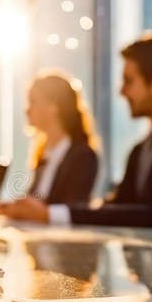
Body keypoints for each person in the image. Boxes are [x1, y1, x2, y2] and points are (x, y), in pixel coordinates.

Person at [0, 34, 152, 231]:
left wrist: (52, 214)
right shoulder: (141, 150)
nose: (122, 91)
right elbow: (116, 207)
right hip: (146, 282)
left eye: (129, 81)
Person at [23, 70, 99, 204]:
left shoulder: (83, 157)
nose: (27, 109)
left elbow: (72, 209)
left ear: (54, 107)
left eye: (33, 101)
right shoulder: (43, 156)